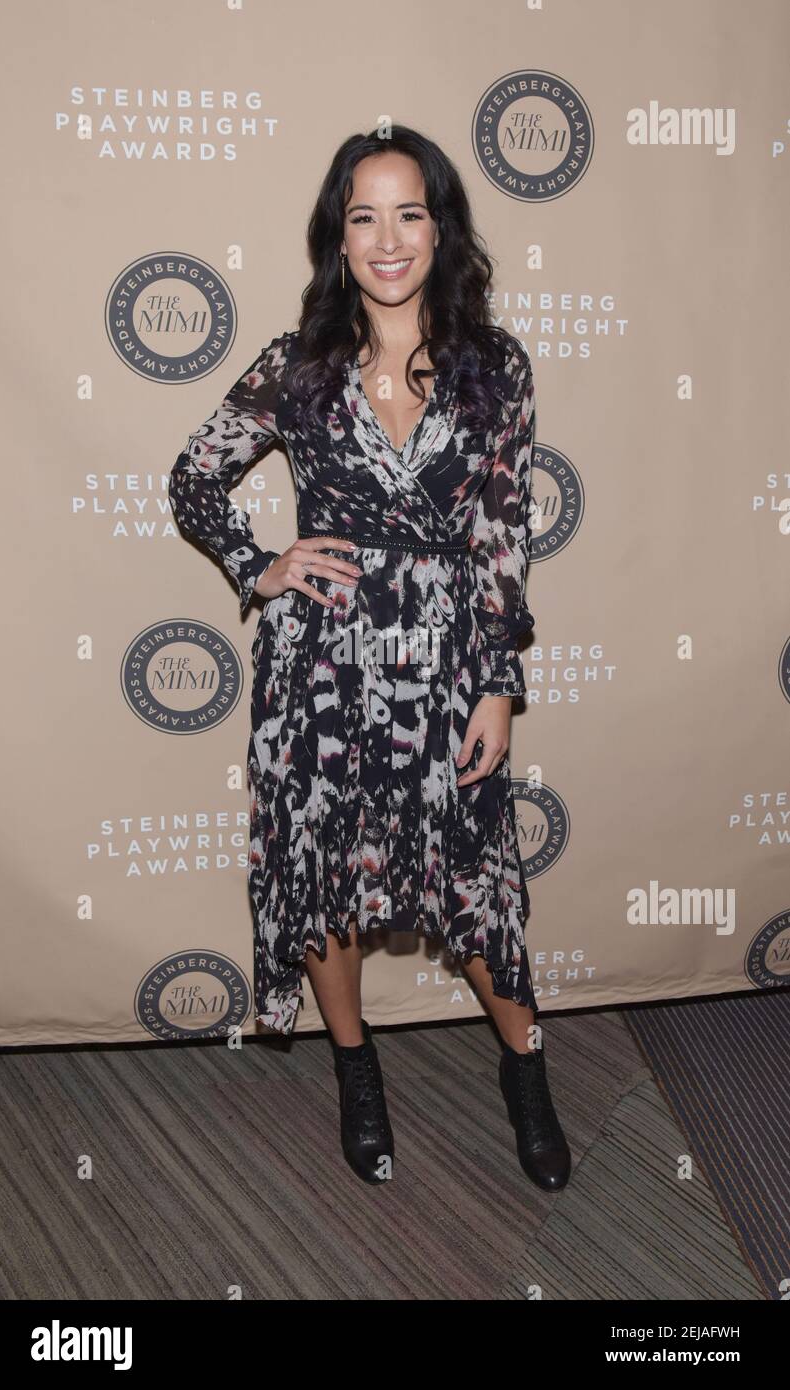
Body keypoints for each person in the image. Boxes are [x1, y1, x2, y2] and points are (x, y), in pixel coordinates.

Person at [168, 125, 571, 1193]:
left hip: (444, 664)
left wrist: (495, 684)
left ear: (440, 229)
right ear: (336, 238)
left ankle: (524, 1069)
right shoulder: (299, 367)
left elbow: (498, 540)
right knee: (325, 875)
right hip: (321, 668)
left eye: (408, 213)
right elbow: (193, 477)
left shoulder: (494, 370)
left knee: (477, 884)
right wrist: (261, 564)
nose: (386, 238)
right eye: (362, 215)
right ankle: (357, 1071)